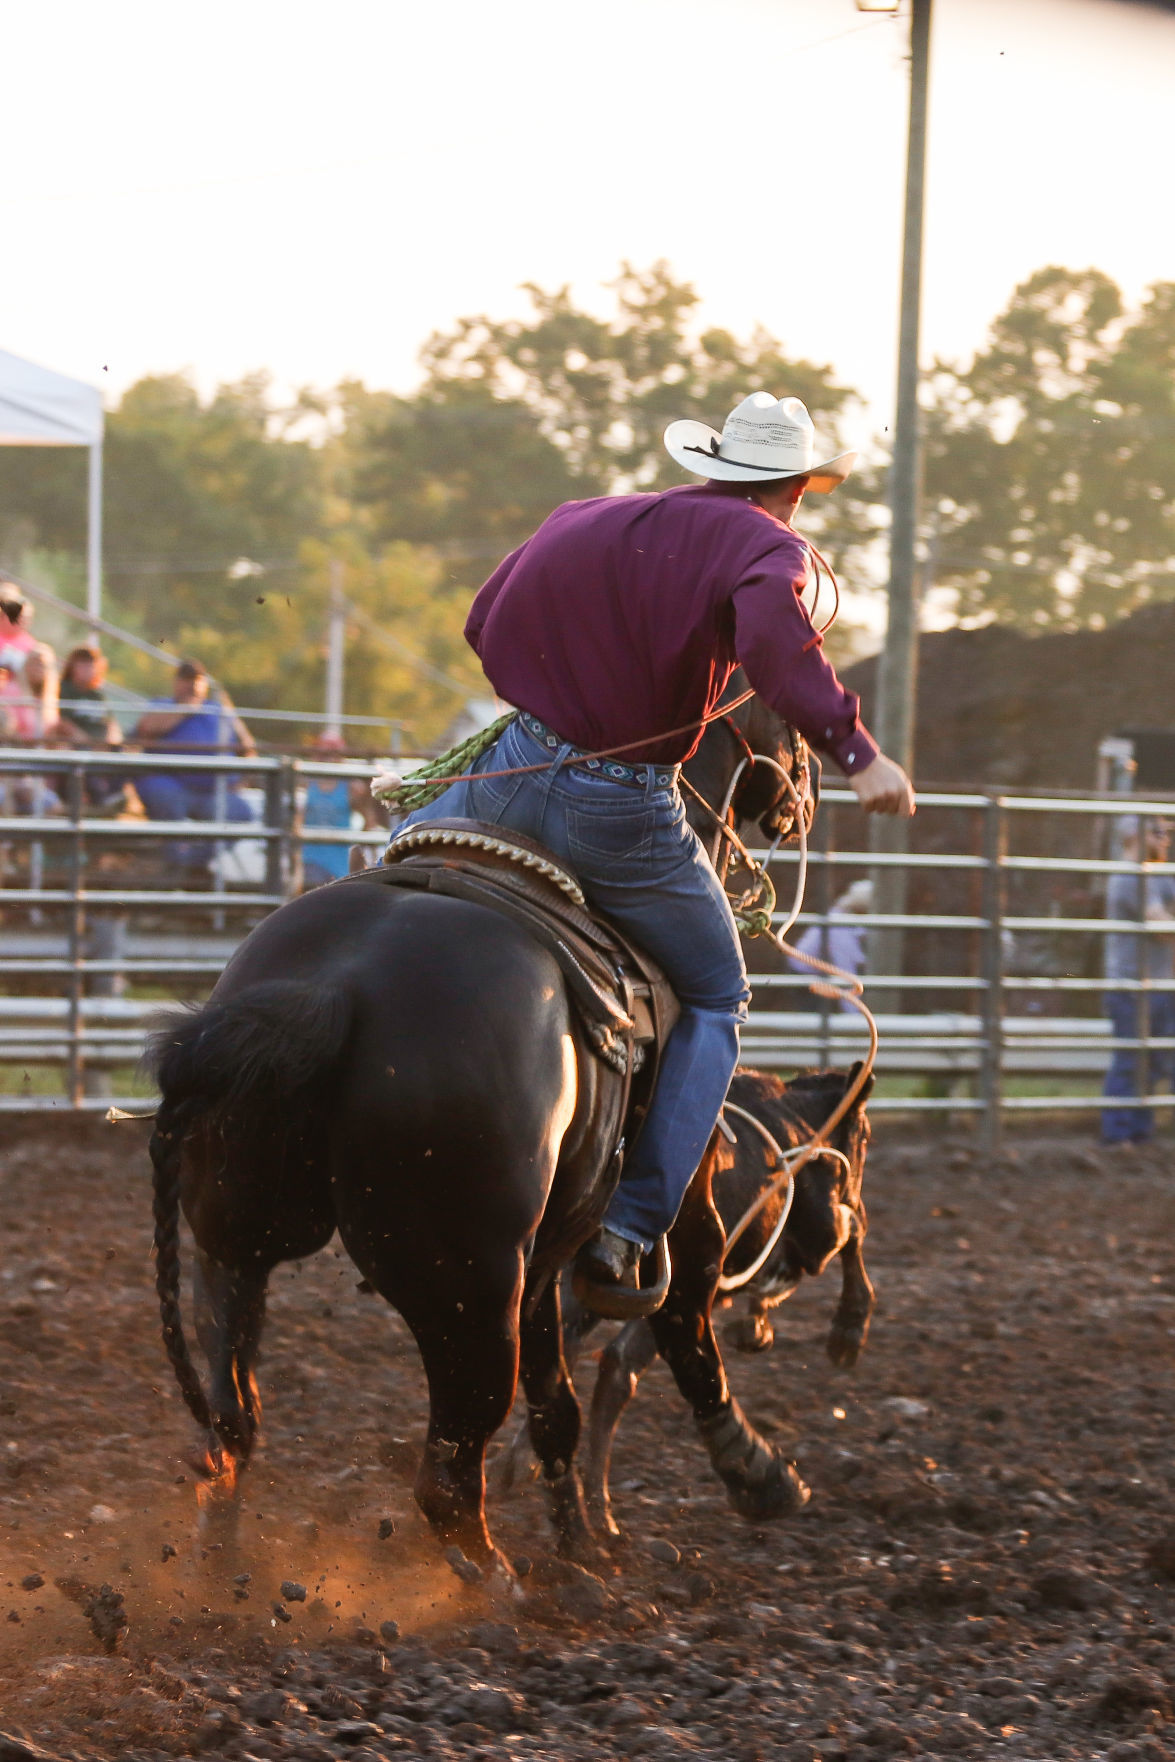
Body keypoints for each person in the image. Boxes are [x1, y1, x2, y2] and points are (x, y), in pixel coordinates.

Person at [385, 391, 915, 1303]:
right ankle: (630, 1227)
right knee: (717, 994)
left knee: (394, 880)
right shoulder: (768, 549)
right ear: (791, 489)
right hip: (618, 808)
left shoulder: (586, 518)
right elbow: (778, 656)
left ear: (710, 464)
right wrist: (857, 754)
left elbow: (484, 620)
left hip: (510, 769)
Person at [133, 660, 257, 864]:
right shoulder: (162, 705)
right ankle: (176, 868)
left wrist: (240, 781)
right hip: (172, 786)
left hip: (214, 791)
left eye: (197, 680)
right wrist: (186, 708)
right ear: (176, 682)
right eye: (186, 679)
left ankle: (193, 863)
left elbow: (247, 747)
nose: (192, 685)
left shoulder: (218, 709)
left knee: (240, 812)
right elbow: (146, 729)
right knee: (162, 797)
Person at [1101, 816, 1175, 1146]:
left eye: (1166, 833)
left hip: (1157, 985)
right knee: (1131, 1062)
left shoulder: (1157, 875)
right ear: (1134, 836)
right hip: (1132, 987)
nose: (1165, 840)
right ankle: (1118, 1136)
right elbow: (1161, 927)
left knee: (1155, 1063)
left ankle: (1139, 1134)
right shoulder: (1129, 877)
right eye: (1157, 832)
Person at [300, 730, 380, 889]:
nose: (327, 758)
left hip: (339, 863)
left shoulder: (350, 786)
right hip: (310, 860)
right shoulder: (306, 782)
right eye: (323, 753)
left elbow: (369, 821)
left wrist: (360, 850)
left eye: (332, 753)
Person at [788, 879, 872, 1009]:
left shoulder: (843, 917)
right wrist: (856, 1018)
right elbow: (846, 969)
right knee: (815, 1012)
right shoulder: (839, 927)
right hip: (804, 974)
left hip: (815, 971)